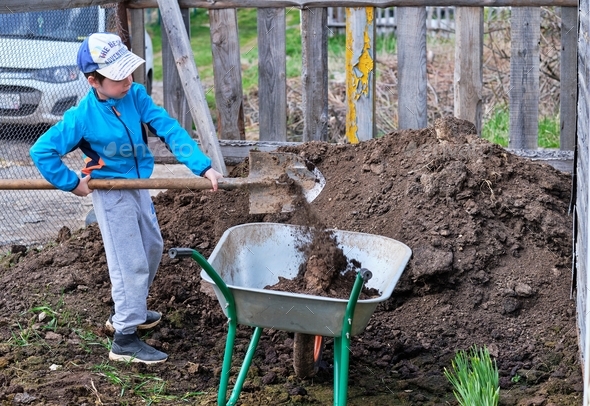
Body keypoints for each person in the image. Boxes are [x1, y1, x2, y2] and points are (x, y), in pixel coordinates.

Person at [30, 32, 223, 364]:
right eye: (119, 76)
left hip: (137, 185)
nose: (129, 80)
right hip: (110, 193)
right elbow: (42, 150)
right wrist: (72, 182)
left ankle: (127, 310)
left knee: (151, 247)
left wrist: (202, 167)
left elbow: (169, 128)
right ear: (93, 80)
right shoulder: (82, 117)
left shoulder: (135, 95)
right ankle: (124, 339)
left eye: (129, 71)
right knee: (129, 262)